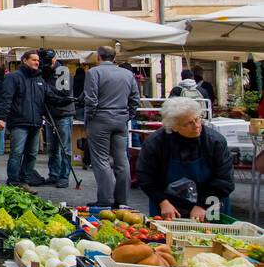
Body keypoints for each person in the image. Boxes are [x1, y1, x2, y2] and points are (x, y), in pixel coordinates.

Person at [137, 96, 234, 221]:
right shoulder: (156, 143)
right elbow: (146, 177)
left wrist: (202, 205)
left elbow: (224, 179)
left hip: (211, 202)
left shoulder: (215, 142)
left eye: (197, 119)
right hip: (169, 206)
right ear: (174, 127)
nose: (196, 125)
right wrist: (162, 201)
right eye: (189, 123)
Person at [82, 45, 140, 208]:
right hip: (121, 119)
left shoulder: (94, 73)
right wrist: (128, 115)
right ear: (114, 58)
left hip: (100, 119)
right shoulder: (127, 74)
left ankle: (105, 199)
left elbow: (91, 99)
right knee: (122, 160)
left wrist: (90, 117)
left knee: (101, 160)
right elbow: (135, 98)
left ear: (98, 57)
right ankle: (122, 200)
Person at [0, 50, 47, 187]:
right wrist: (2, 118)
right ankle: (13, 182)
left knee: (32, 154)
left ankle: (25, 181)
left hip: (35, 122)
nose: (37, 62)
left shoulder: (39, 79)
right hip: (19, 122)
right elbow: (6, 98)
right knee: (17, 153)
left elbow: (48, 96)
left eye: (38, 60)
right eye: (34, 60)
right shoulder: (14, 77)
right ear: (24, 60)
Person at [39, 49, 75, 189]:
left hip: (63, 114)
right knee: (52, 147)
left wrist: (45, 87)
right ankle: (53, 174)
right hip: (50, 114)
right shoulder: (44, 71)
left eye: (49, 61)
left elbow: (64, 93)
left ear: (54, 58)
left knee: (64, 148)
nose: (47, 64)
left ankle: (64, 177)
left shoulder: (62, 71)